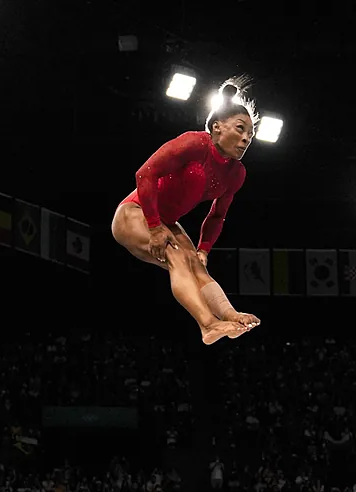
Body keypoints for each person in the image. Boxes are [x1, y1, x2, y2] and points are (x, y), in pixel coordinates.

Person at [112, 79, 262, 345]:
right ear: (217, 127)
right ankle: (208, 324)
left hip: (167, 222)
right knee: (175, 257)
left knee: (195, 264)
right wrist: (155, 227)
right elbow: (145, 173)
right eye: (240, 130)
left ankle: (229, 315)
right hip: (135, 212)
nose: (245, 139)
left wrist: (203, 249)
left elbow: (217, 216)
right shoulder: (195, 143)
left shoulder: (236, 173)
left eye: (250, 136)